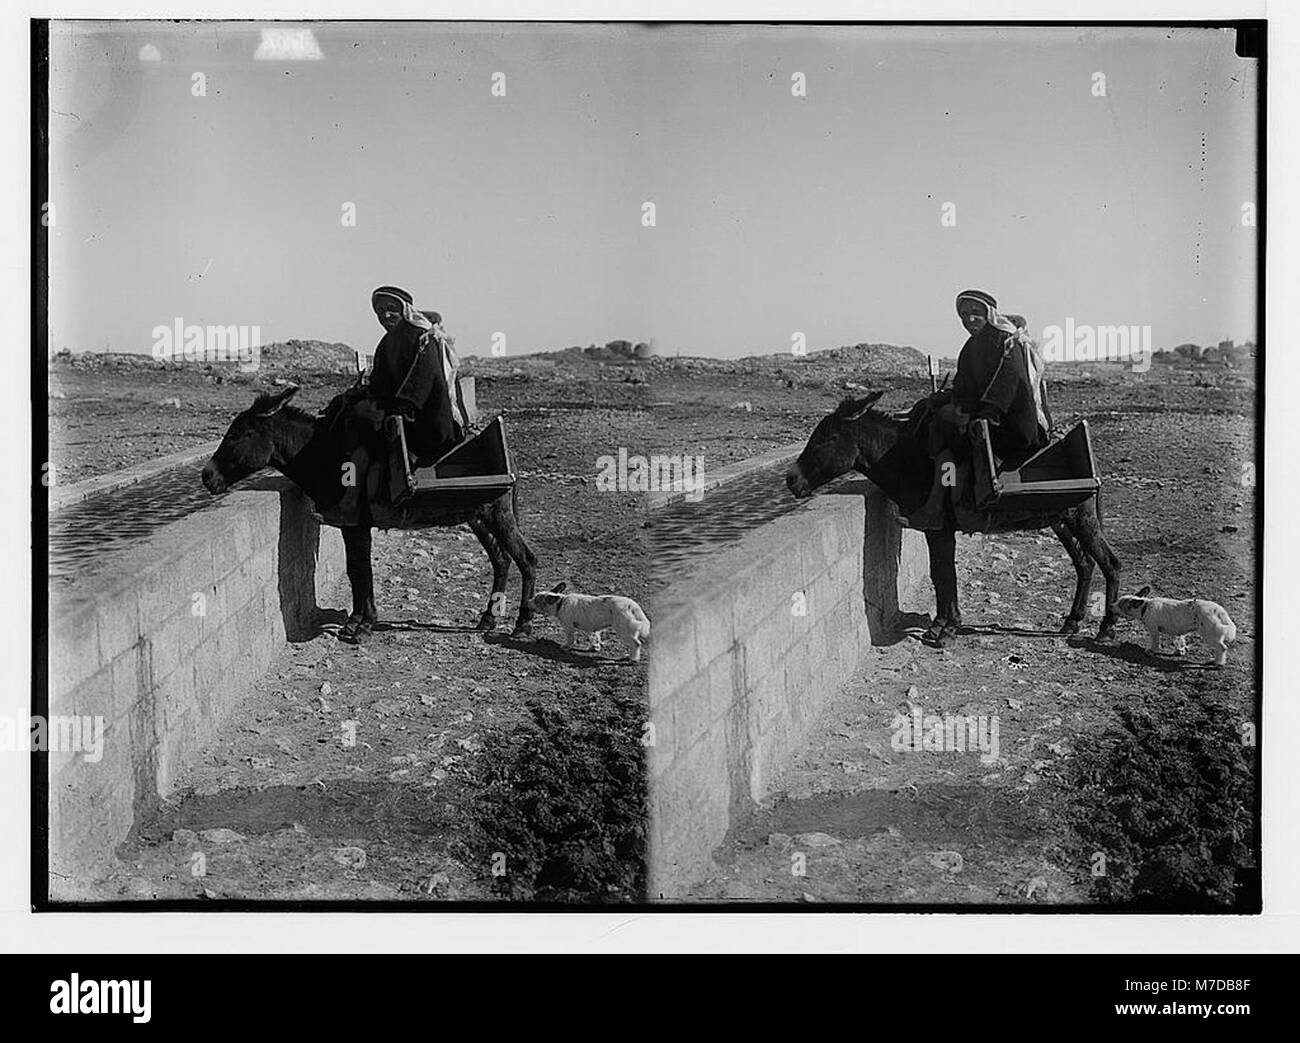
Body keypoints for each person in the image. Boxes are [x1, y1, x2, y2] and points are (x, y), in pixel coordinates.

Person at [901, 289, 1050, 529]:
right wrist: (944, 402)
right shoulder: (971, 347)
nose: (969, 319)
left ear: (989, 313)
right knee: (939, 425)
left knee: (951, 438)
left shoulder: (1007, 340)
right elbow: (964, 387)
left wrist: (986, 413)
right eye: (964, 315)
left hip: (1012, 424)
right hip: (986, 417)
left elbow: (1009, 381)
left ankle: (944, 503)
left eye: (975, 313)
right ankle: (947, 498)